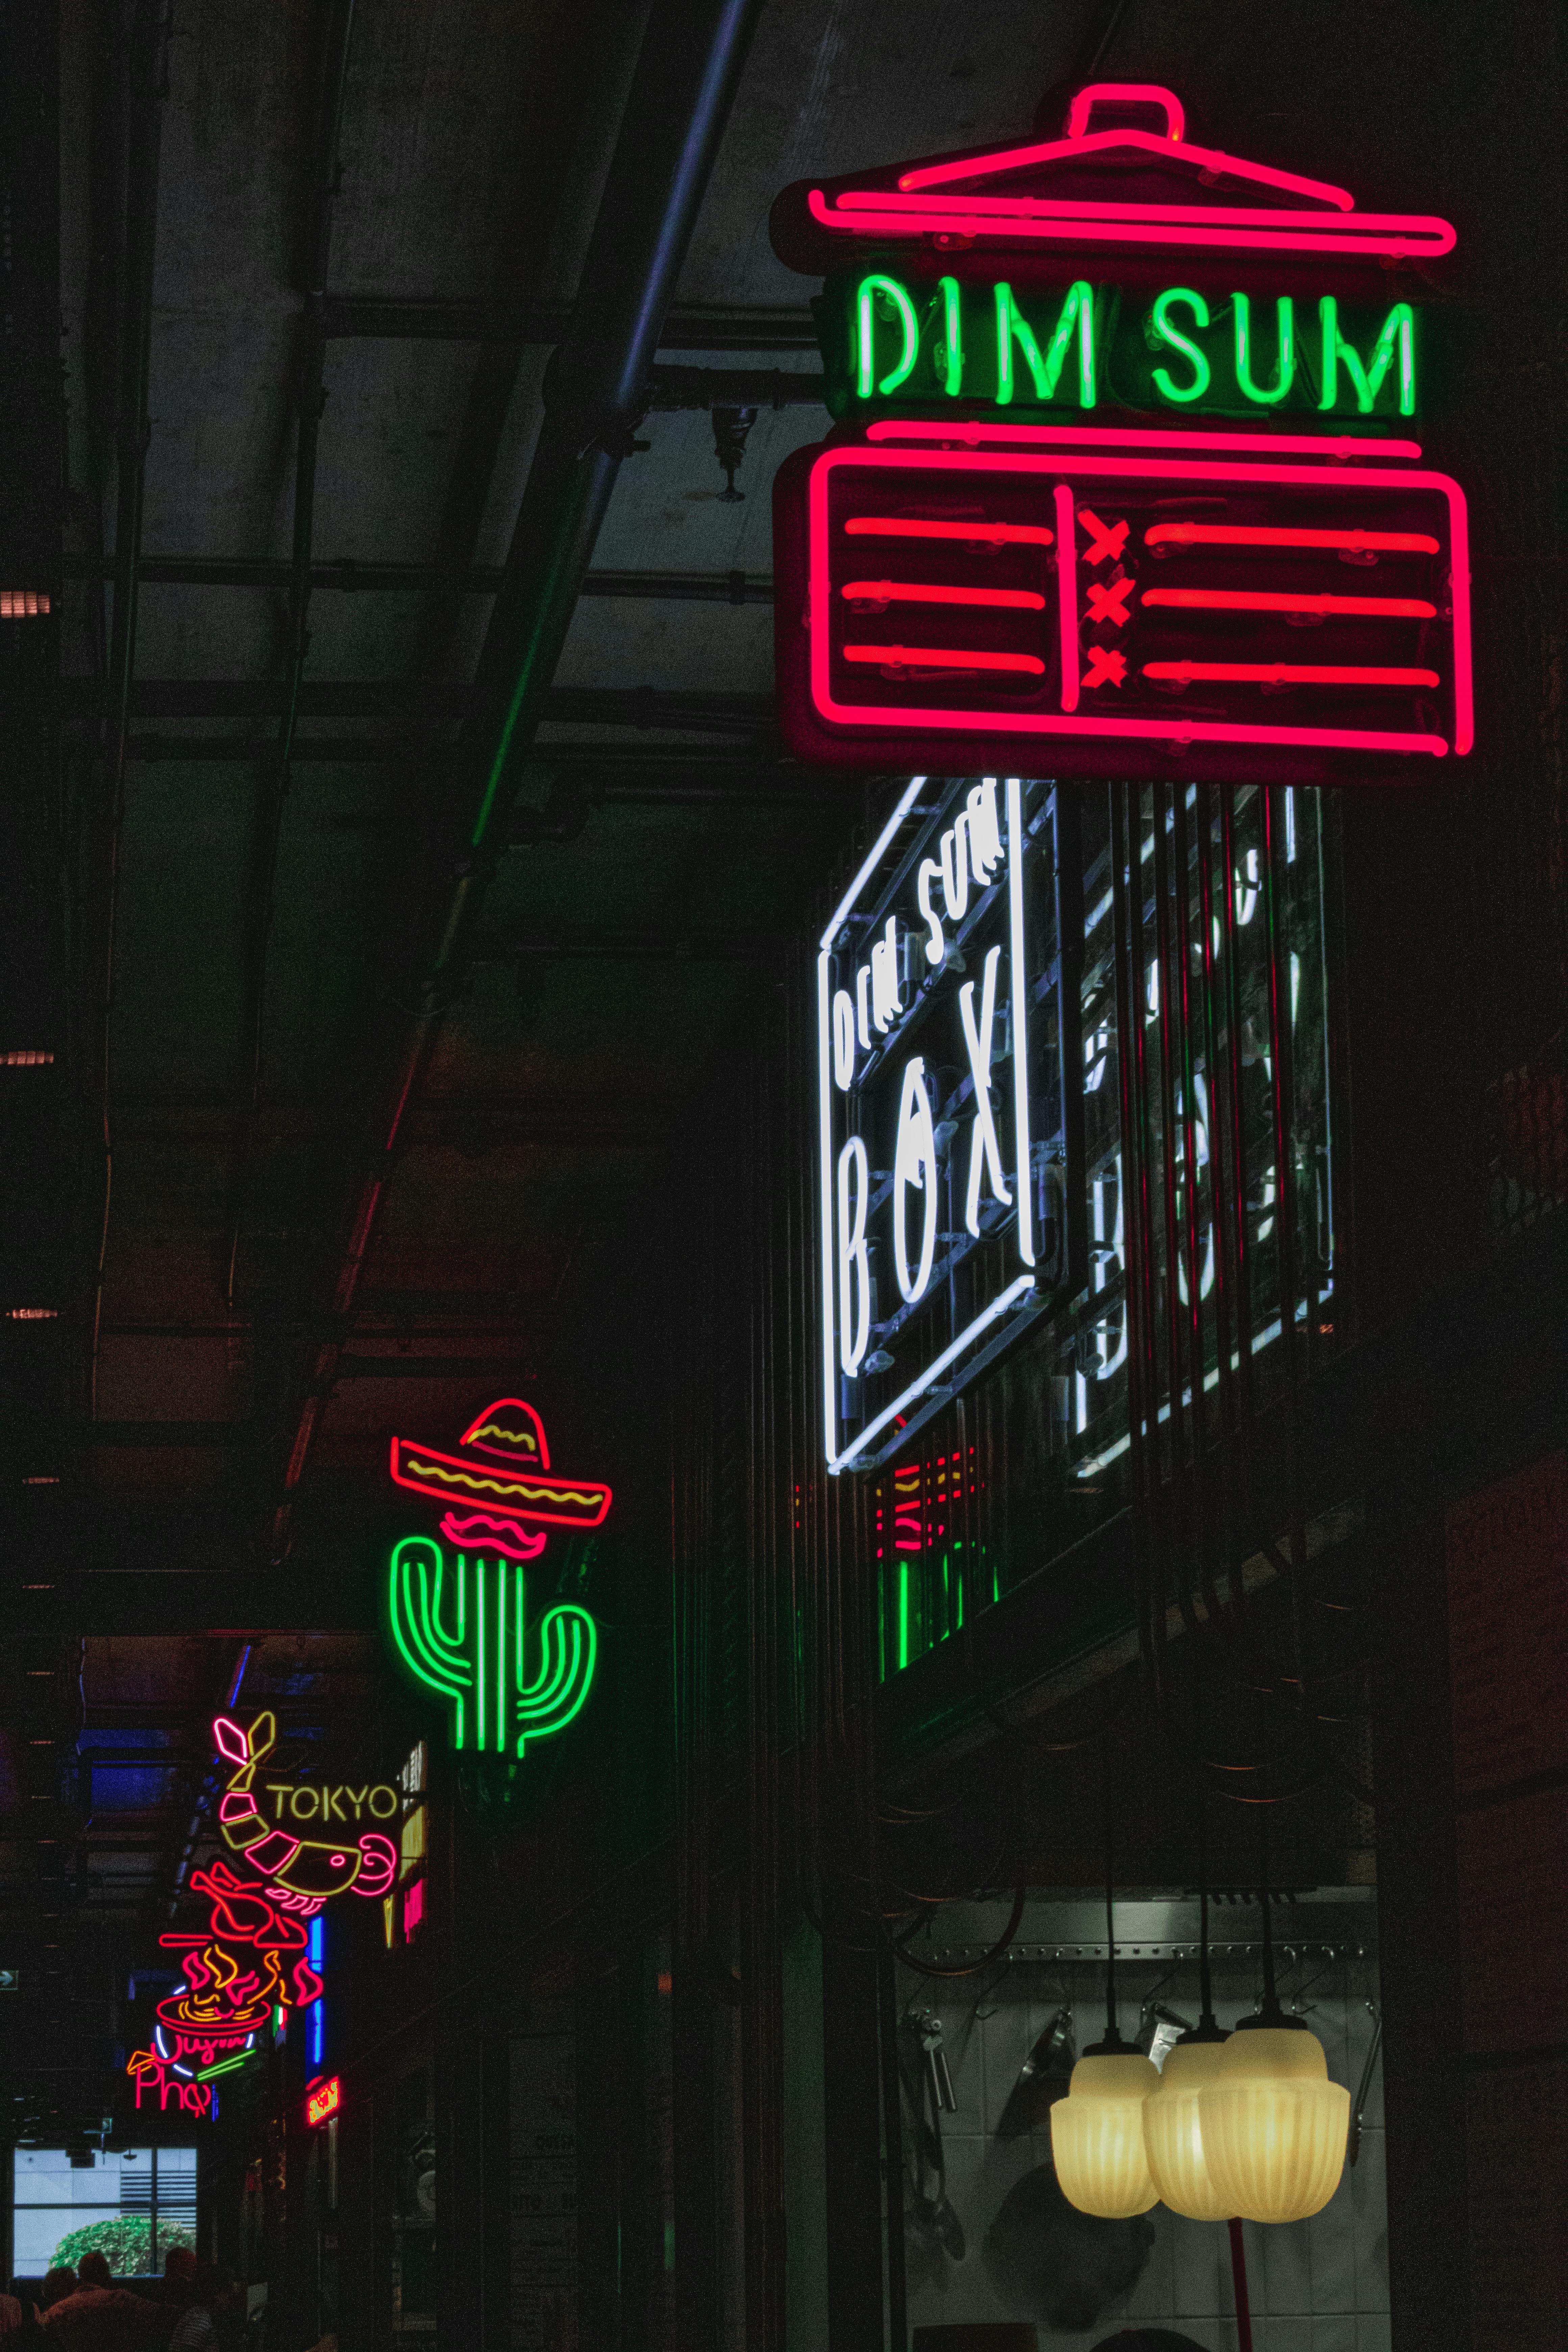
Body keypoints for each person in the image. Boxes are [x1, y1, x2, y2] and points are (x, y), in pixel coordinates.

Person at [167, 2274, 231, 2352]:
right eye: (226, 2294)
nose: (228, 2300)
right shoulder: (200, 2317)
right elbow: (187, 2347)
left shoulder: (201, 2314)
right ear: (216, 2296)